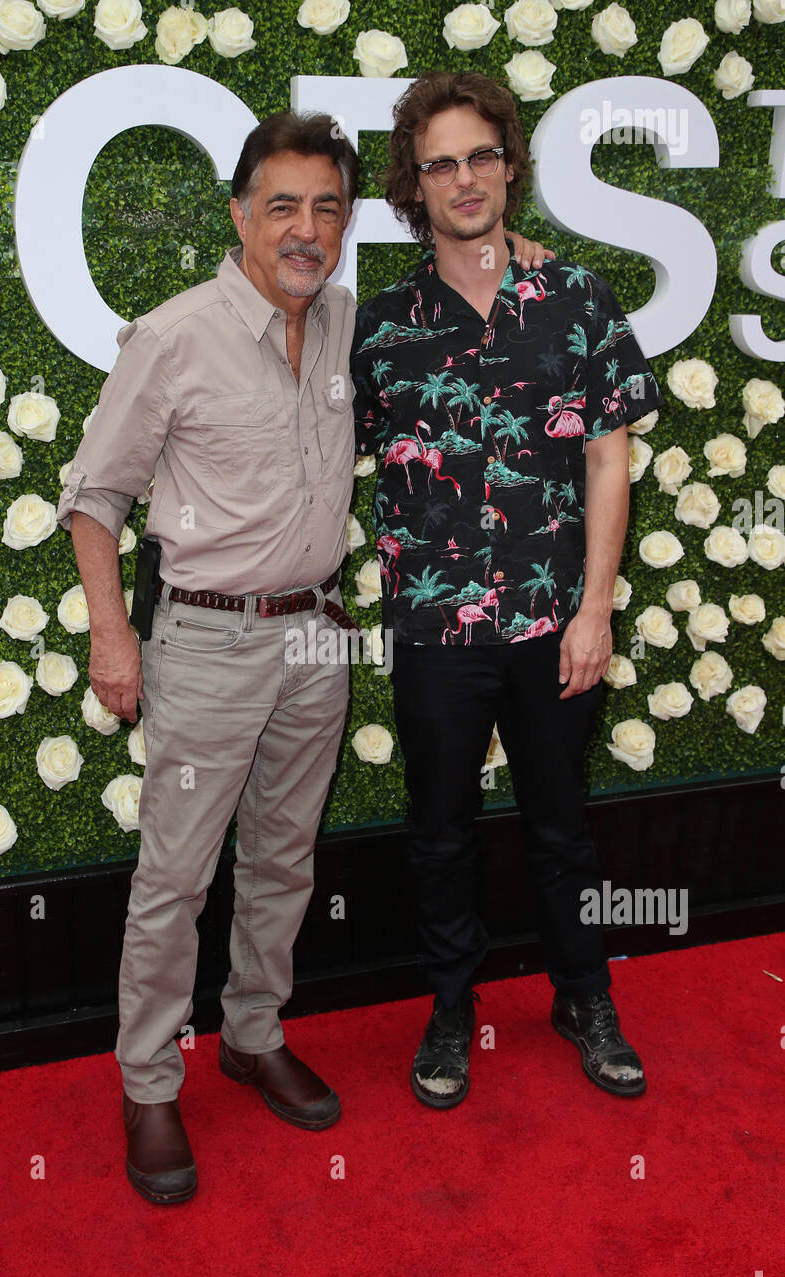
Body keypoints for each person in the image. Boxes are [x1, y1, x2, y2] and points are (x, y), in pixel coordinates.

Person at [55, 105, 555, 1203]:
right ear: (240, 214)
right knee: (176, 877)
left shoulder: (346, 325)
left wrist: (512, 252)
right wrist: (112, 635)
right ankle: (147, 1083)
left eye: (327, 206)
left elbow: (458, 316)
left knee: (285, 859)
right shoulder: (173, 336)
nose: (306, 228)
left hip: (319, 638)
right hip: (203, 643)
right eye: (282, 204)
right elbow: (93, 498)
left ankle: (250, 1031)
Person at [351, 71, 664, 1110]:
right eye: (440, 161)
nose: (464, 178)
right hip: (436, 628)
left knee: (562, 823)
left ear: (510, 166)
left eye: (480, 154)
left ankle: (585, 996)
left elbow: (609, 460)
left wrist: (596, 609)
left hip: (552, 624)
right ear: (414, 185)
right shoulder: (381, 328)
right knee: (438, 827)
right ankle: (450, 1009)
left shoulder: (576, 298)